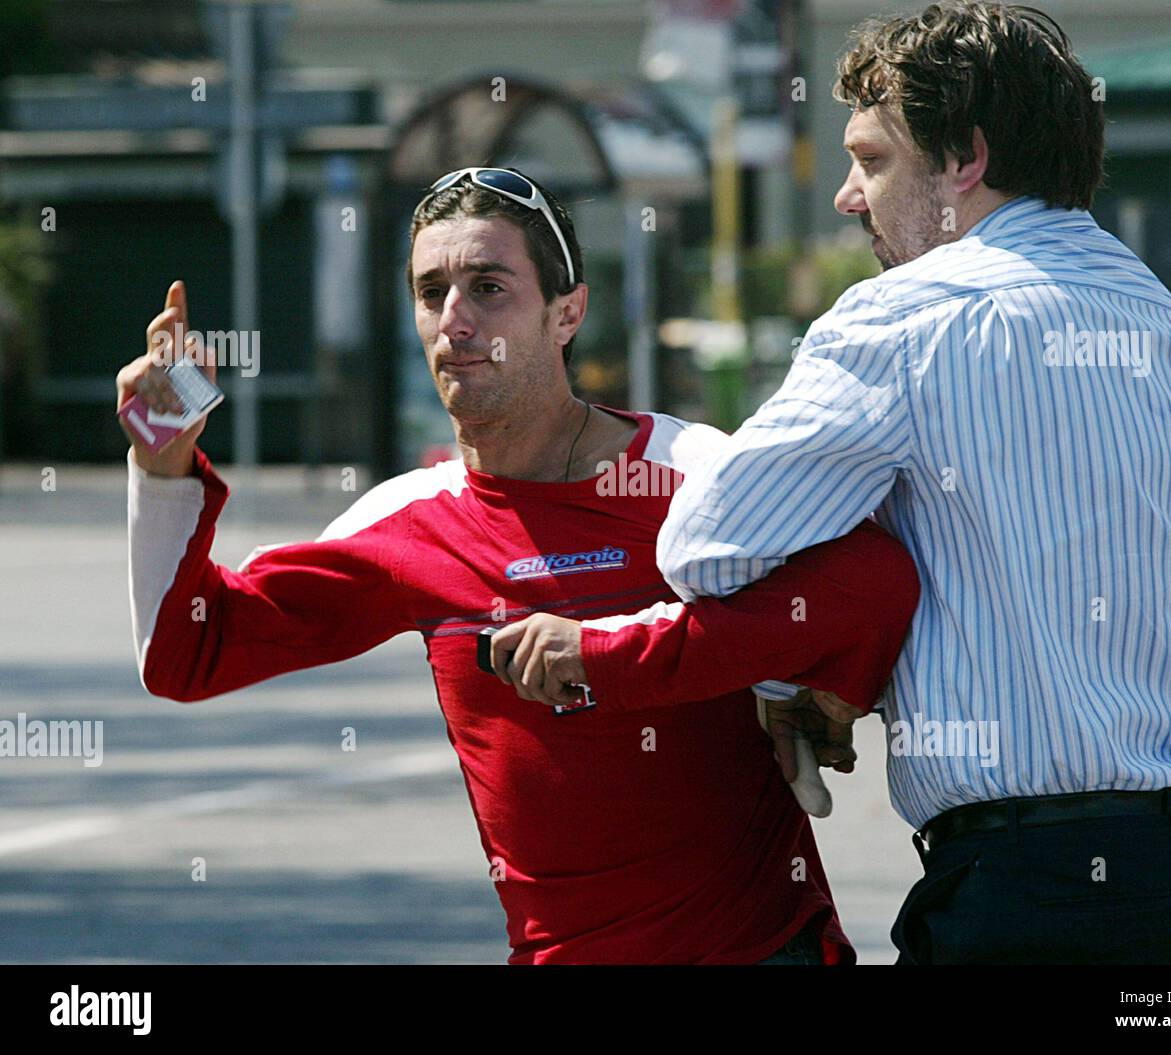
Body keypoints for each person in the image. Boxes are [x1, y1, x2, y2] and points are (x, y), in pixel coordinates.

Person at [117, 167, 919, 964]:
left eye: (489, 287)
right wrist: (163, 466)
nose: (455, 322)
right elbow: (185, 654)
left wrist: (799, 687)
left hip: (758, 949)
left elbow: (875, 582)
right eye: (432, 293)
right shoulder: (409, 523)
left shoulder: (692, 471)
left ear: (568, 312)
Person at [645, 3, 1171, 964]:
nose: (852, 196)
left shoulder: (905, 320)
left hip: (1036, 888)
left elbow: (707, 545)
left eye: (873, 158)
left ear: (965, 159)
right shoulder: (1161, 324)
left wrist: (799, 669)